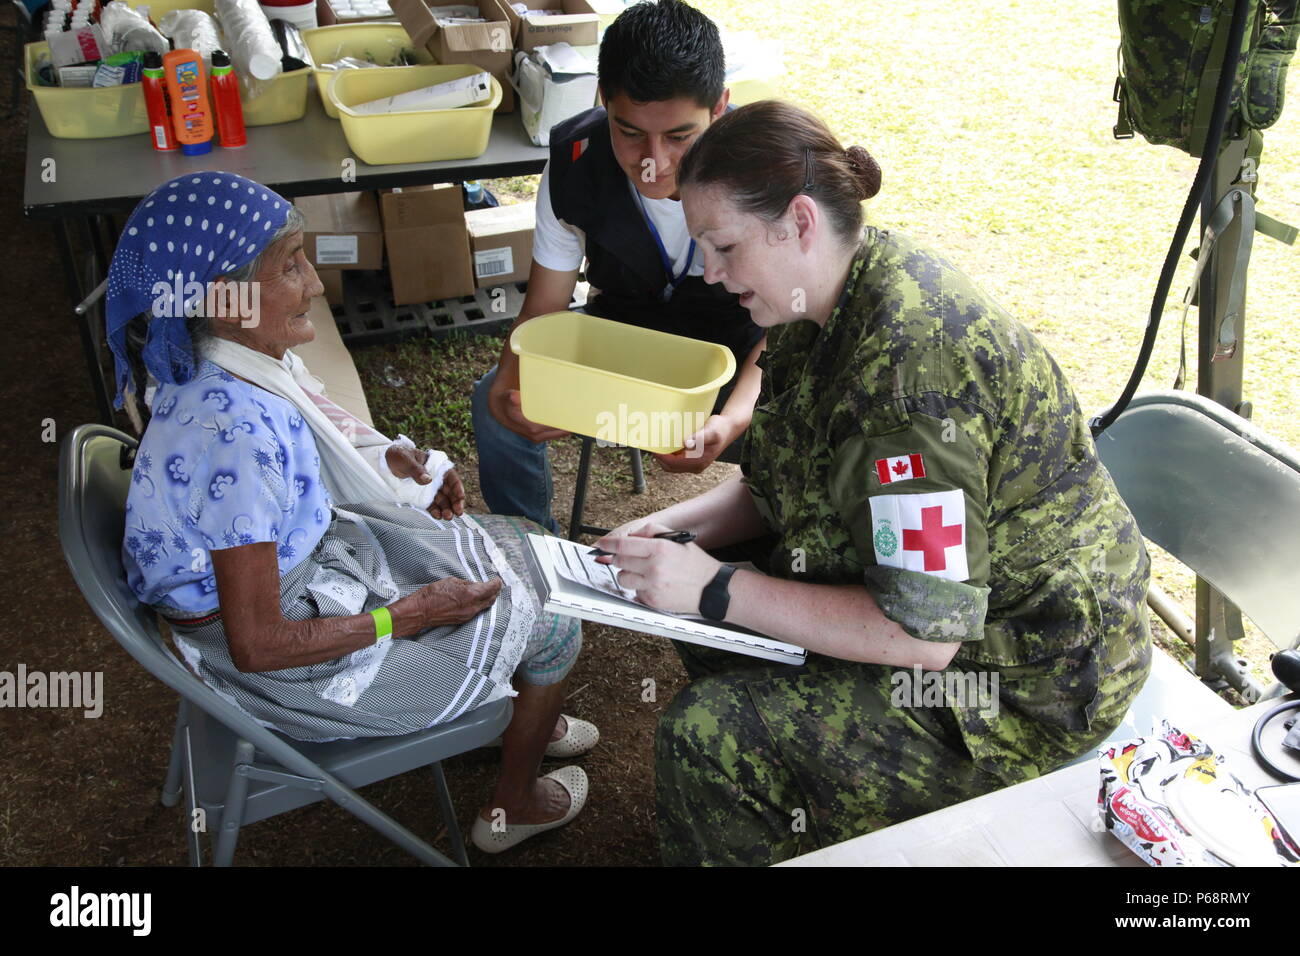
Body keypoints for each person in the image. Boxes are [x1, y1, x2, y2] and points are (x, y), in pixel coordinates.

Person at [592, 101, 1154, 866]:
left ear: (798, 222)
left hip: (1022, 685)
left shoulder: (907, 379)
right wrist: (676, 532)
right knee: (720, 638)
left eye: (723, 246)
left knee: (709, 734)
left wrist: (714, 587)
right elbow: (785, 485)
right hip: (960, 629)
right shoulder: (813, 302)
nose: (711, 273)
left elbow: (925, 636)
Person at [108, 173, 598, 854]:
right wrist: (413, 616)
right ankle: (511, 805)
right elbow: (257, 645)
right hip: (279, 665)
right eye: (291, 265)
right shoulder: (236, 437)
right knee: (554, 621)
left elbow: (306, 448)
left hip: (296, 576)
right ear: (226, 298)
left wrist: (389, 460)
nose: (313, 283)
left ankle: (529, 715)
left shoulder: (206, 361)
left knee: (522, 543)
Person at [470, 0, 765, 533]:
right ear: (602, 98)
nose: (654, 160)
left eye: (680, 136)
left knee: (817, 426)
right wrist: (511, 384)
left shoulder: (764, 170)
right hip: (620, 351)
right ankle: (532, 548)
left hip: (734, 366)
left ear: (720, 106)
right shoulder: (574, 163)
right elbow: (543, 308)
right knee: (496, 398)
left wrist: (733, 419)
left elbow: (787, 330)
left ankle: (770, 560)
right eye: (629, 132)